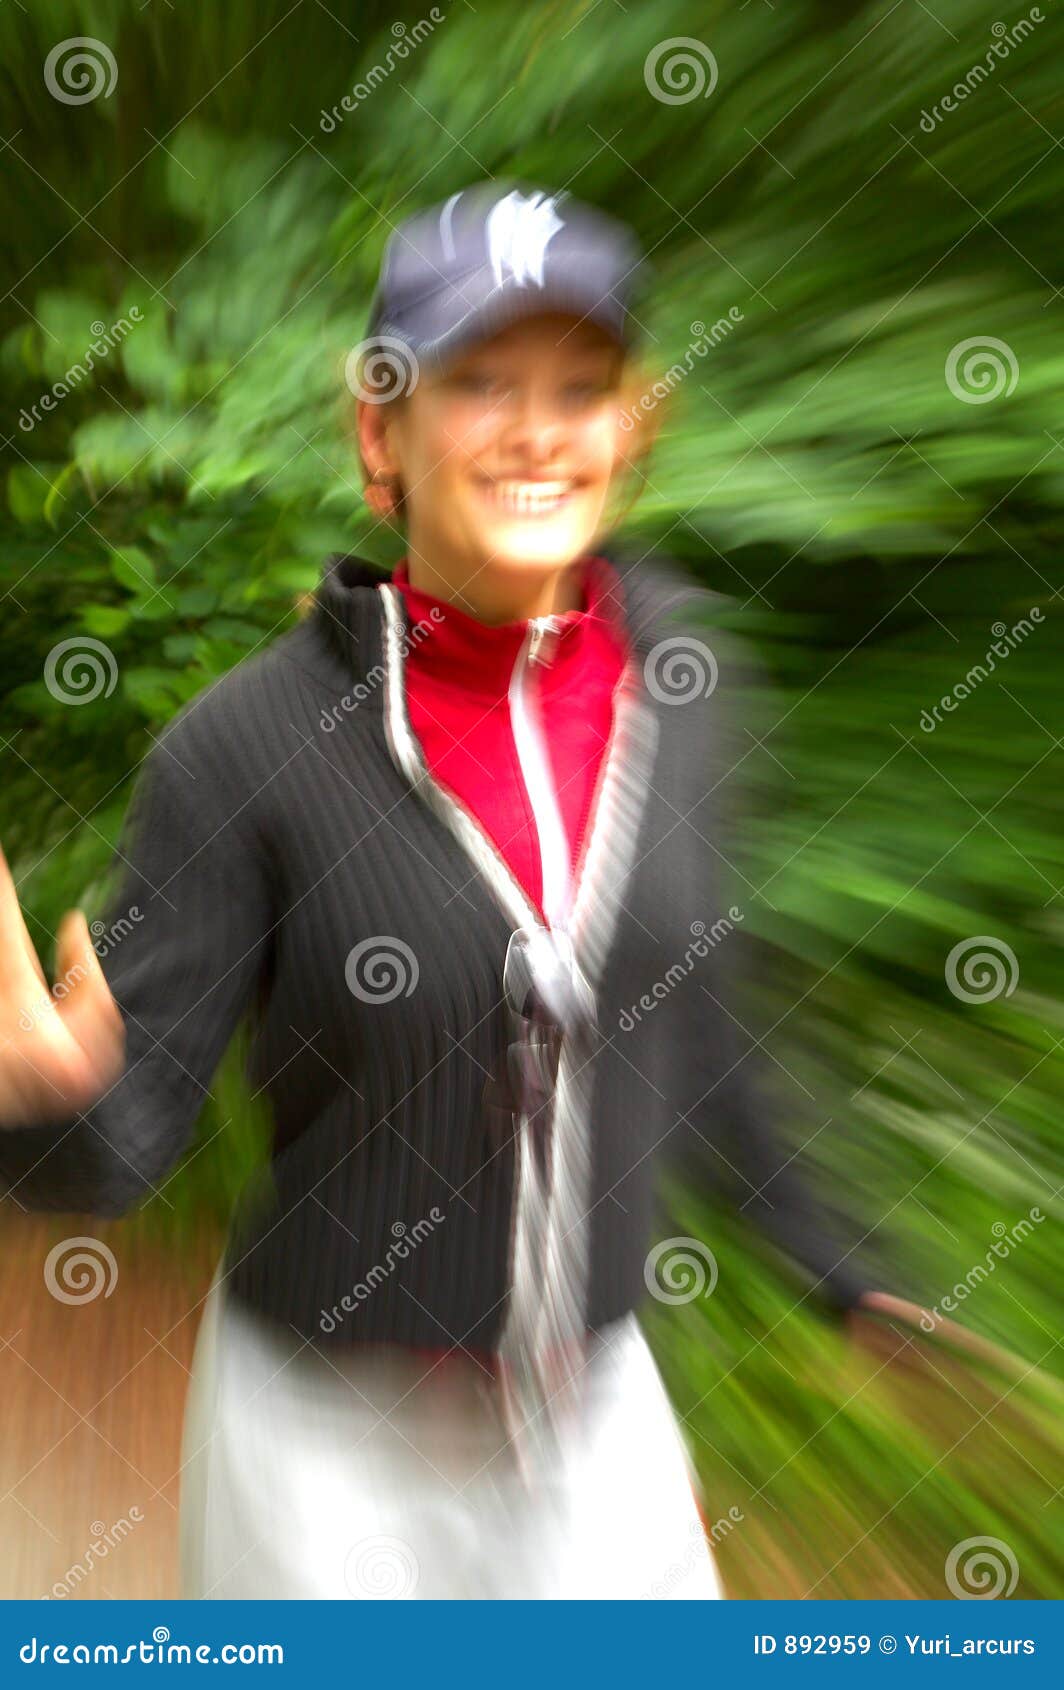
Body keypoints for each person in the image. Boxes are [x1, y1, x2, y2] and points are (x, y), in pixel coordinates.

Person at [0, 180, 901, 1599]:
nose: (538, 429)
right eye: (479, 380)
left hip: (596, 1421)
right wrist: (36, 1104)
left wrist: (840, 1258)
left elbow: (698, 1013)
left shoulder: (698, 689)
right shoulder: (243, 749)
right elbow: (125, 1149)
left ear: (630, 429)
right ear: (381, 432)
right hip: (321, 1445)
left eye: (580, 385)